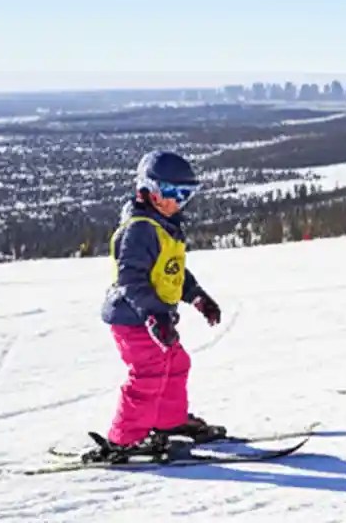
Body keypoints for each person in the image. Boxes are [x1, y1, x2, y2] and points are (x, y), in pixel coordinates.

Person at [94, 150, 224, 461]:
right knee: (148, 373)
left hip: (153, 318)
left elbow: (173, 271)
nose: (177, 201)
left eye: (185, 195)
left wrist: (198, 298)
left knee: (176, 364)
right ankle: (125, 438)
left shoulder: (165, 225)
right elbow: (131, 279)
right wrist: (153, 316)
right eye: (170, 193)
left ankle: (169, 421)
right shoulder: (140, 229)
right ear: (148, 190)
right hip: (133, 319)